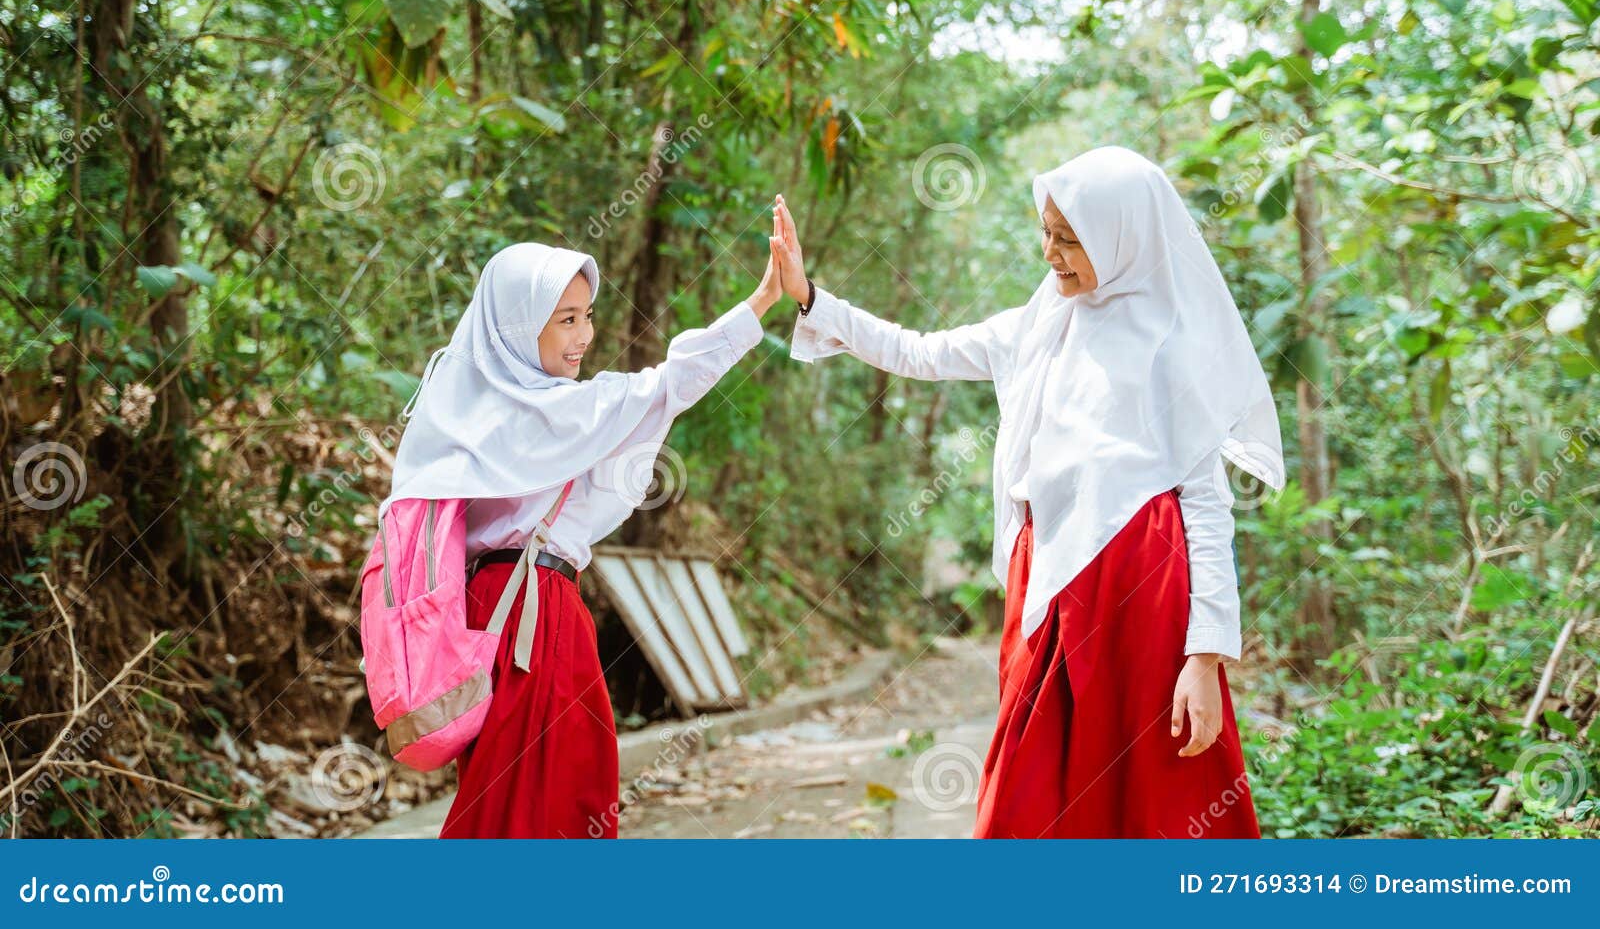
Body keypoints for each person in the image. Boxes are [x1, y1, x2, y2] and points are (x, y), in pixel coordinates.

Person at [768, 145, 1285, 838]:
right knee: (1029, 781)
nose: (1050, 252)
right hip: (1043, 573)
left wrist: (1205, 655)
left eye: (1069, 239)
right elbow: (916, 351)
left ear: (1119, 236)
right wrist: (810, 296)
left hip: (1140, 589)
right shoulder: (1037, 326)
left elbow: (1206, 507)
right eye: (1045, 232)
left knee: (1150, 787)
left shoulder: (1172, 346)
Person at [380, 233, 786, 838]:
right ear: (516, 327)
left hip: (516, 612)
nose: (584, 336)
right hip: (525, 619)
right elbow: (674, 380)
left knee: (539, 791)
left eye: (587, 316)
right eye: (565, 319)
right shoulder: (551, 412)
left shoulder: (463, 411)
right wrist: (760, 301)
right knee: (538, 794)